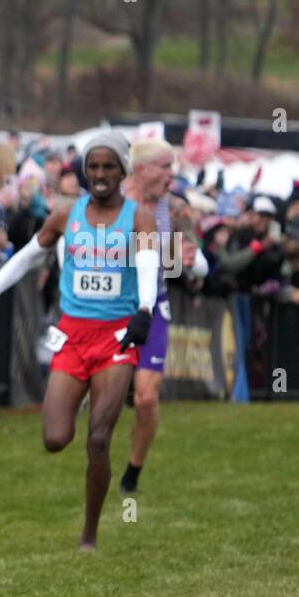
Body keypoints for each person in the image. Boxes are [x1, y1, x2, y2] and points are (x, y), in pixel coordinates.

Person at [0, 132, 159, 551]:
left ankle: (89, 533)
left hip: (118, 337)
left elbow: (147, 263)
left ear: (122, 171)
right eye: (93, 166)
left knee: (99, 438)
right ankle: (86, 396)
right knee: (54, 439)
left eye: (109, 167)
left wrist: (144, 310)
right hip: (71, 335)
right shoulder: (67, 214)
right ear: (84, 171)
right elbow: (30, 255)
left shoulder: (137, 217)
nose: (100, 174)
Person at [118, 137, 174, 495]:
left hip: (155, 307)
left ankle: (132, 473)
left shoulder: (171, 209)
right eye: (165, 167)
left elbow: (187, 255)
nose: (172, 175)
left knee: (147, 398)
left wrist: (191, 259)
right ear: (142, 170)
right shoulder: (111, 203)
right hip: (113, 306)